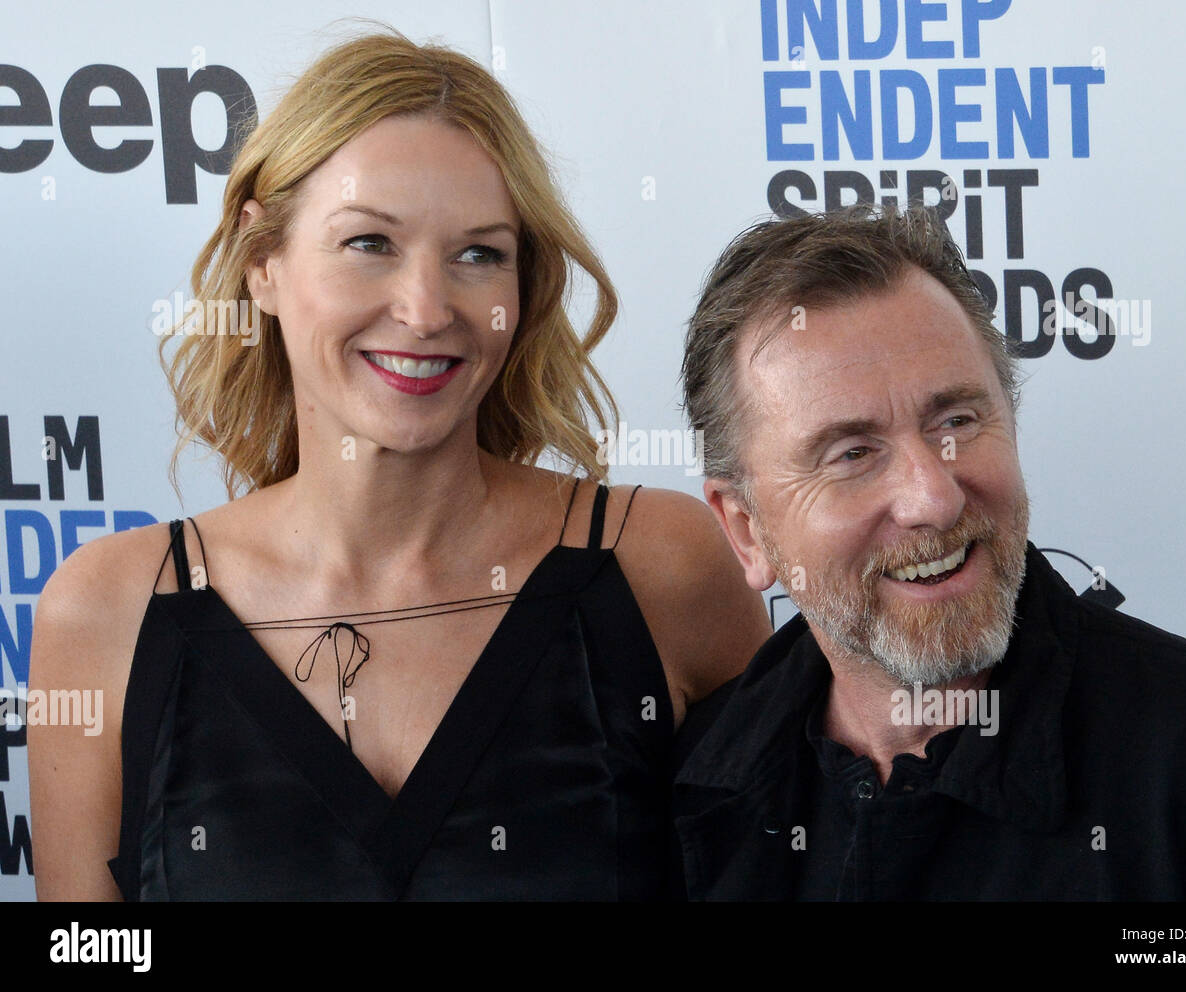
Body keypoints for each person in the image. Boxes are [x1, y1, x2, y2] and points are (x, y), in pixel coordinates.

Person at [27, 30, 770, 901]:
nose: (425, 310)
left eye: (479, 254)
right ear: (262, 261)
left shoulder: (662, 566)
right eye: (369, 243)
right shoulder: (107, 610)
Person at [673, 204, 1186, 900]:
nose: (933, 498)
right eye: (852, 453)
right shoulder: (678, 784)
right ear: (747, 530)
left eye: (957, 421)